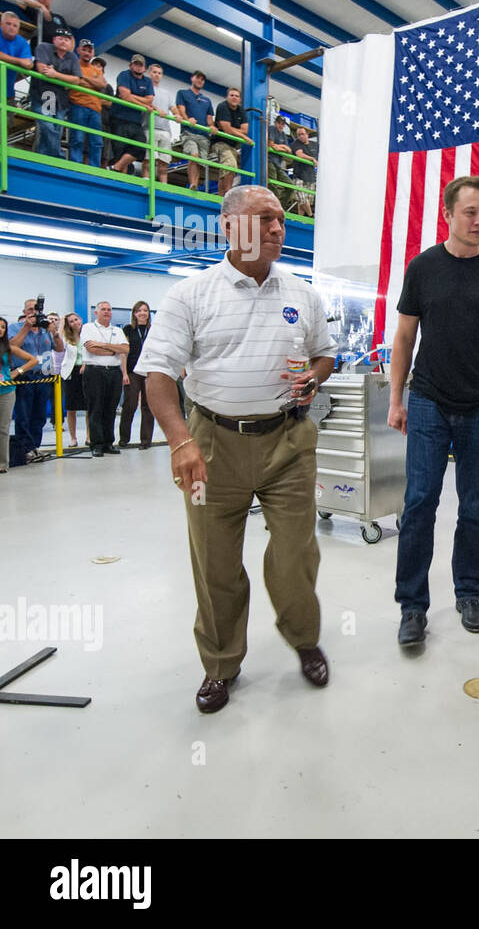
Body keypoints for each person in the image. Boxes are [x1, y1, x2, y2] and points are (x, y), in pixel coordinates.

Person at [138, 185, 337, 713]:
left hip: (289, 441)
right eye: (265, 219)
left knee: (296, 550)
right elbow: (157, 376)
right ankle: (222, 664)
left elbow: (324, 356)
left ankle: (304, 638)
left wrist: (314, 379)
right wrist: (180, 441)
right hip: (210, 444)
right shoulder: (191, 295)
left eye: (281, 220)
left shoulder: (302, 293)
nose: (278, 228)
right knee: (216, 560)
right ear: (228, 226)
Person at [389, 176, 479, 646]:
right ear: (448, 214)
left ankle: (468, 592)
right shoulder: (423, 267)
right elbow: (405, 337)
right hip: (428, 401)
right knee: (419, 503)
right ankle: (412, 606)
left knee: (474, 508)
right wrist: (396, 399)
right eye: (470, 212)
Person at [10, 298, 64, 466]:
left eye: (37, 309)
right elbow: (12, 346)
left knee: (39, 416)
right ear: (25, 311)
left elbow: (60, 348)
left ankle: (35, 447)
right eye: (30, 309)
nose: (34, 312)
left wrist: (54, 332)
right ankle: (24, 450)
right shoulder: (15, 327)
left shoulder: (45, 330)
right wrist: (26, 327)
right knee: (24, 415)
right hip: (25, 376)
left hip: (43, 375)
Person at [79, 301, 128, 456]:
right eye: (103, 309)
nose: (107, 312)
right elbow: (92, 350)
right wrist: (114, 349)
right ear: (96, 313)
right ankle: (97, 444)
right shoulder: (88, 328)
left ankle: (108, 442)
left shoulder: (117, 330)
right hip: (94, 372)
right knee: (96, 408)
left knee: (110, 409)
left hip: (114, 372)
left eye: (109, 310)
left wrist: (102, 345)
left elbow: (125, 349)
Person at [30, 27, 81, 159]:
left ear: (70, 42)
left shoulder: (73, 57)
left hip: (61, 99)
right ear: (54, 40)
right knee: (48, 126)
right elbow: (42, 69)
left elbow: (76, 80)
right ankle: (58, 155)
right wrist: (65, 78)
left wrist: (55, 74)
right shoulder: (44, 47)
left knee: (56, 129)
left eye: (67, 39)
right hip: (44, 94)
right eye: (60, 38)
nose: (63, 42)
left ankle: (43, 158)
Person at [0, 317, 41, 473]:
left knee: (3, 428)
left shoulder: (8, 347)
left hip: (7, 392)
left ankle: (3, 464)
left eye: (3, 327)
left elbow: (33, 360)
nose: (1, 329)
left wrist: (18, 371)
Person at [107, 54, 154, 174]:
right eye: (136, 64)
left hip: (135, 121)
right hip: (119, 118)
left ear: (145, 68)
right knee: (119, 150)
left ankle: (115, 168)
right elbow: (124, 96)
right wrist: (143, 104)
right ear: (131, 65)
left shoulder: (147, 81)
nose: (138, 67)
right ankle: (121, 180)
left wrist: (131, 96)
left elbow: (149, 99)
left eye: (141, 65)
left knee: (140, 147)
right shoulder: (124, 75)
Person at [67, 38, 108, 167]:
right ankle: (76, 165)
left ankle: (94, 167)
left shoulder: (97, 70)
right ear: (78, 50)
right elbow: (74, 81)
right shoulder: (73, 65)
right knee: (77, 137)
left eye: (89, 51)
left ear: (93, 53)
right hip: (77, 105)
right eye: (84, 50)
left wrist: (83, 78)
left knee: (97, 141)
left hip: (95, 109)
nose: (87, 53)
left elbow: (102, 85)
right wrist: (92, 82)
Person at [119, 300, 154, 449]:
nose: (142, 313)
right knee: (130, 405)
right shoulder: (128, 329)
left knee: (148, 407)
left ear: (148, 313)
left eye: (145, 310)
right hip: (133, 372)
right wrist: (124, 373)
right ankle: (124, 439)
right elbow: (123, 352)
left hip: (149, 373)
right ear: (134, 313)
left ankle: (146, 441)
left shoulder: (153, 330)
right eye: (139, 310)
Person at [173, 70, 215, 191]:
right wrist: (188, 120)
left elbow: (209, 120)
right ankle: (193, 184)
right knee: (193, 155)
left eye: (202, 79)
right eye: (198, 78)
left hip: (203, 136)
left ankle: (196, 184)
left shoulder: (207, 100)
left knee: (201, 162)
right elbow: (181, 110)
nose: (200, 81)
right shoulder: (182, 93)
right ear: (192, 78)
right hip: (189, 132)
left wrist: (211, 127)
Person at [58, 311, 87, 448]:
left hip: (86, 371)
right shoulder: (66, 337)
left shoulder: (88, 333)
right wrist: (61, 324)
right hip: (71, 372)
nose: (75, 323)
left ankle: (89, 436)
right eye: (71, 321)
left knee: (89, 407)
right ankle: (73, 438)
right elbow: (57, 343)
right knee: (71, 408)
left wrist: (85, 364)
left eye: (76, 319)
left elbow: (91, 351)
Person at [211, 86, 248, 195]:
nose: (234, 98)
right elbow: (226, 129)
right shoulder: (222, 106)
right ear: (227, 97)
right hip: (220, 142)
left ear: (240, 99)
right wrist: (242, 136)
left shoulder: (241, 110)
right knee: (230, 165)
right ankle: (227, 193)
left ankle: (222, 195)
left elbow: (245, 130)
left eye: (237, 96)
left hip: (232, 146)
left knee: (229, 170)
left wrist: (232, 129)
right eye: (231, 95)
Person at [147, 63, 176, 184]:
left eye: (159, 73)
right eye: (154, 72)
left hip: (165, 130)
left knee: (164, 162)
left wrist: (178, 115)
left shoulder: (167, 93)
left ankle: (164, 187)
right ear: (149, 73)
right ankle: (146, 183)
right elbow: (145, 103)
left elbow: (173, 108)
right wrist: (157, 110)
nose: (157, 75)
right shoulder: (146, 89)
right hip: (149, 127)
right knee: (149, 160)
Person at [0, 11, 33, 105]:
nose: (11, 27)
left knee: (7, 119)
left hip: (7, 94)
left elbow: (28, 64)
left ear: (18, 28)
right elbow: (23, 62)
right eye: (8, 23)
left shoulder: (22, 43)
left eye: (15, 25)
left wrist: (4, 58)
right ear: (1, 24)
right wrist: (18, 61)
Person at [289, 125, 318, 216]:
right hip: (299, 175)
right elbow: (300, 154)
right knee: (302, 198)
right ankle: (310, 215)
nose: (300, 136)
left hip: (311, 176)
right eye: (298, 135)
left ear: (307, 135)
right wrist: (312, 159)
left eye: (302, 134)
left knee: (305, 201)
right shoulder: (296, 143)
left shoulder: (315, 145)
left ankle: (300, 219)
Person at [267, 115, 294, 208]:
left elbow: (289, 150)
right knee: (273, 185)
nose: (281, 126)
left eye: (283, 124)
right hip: (270, 161)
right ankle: (273, 207)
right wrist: (283, 147)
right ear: (275, 123)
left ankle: (280, 207)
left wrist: (280, 147)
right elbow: (270, 144)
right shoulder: (271, 129)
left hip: (278, 164)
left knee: (290, 186)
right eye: (279, 123)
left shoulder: (283, 135)